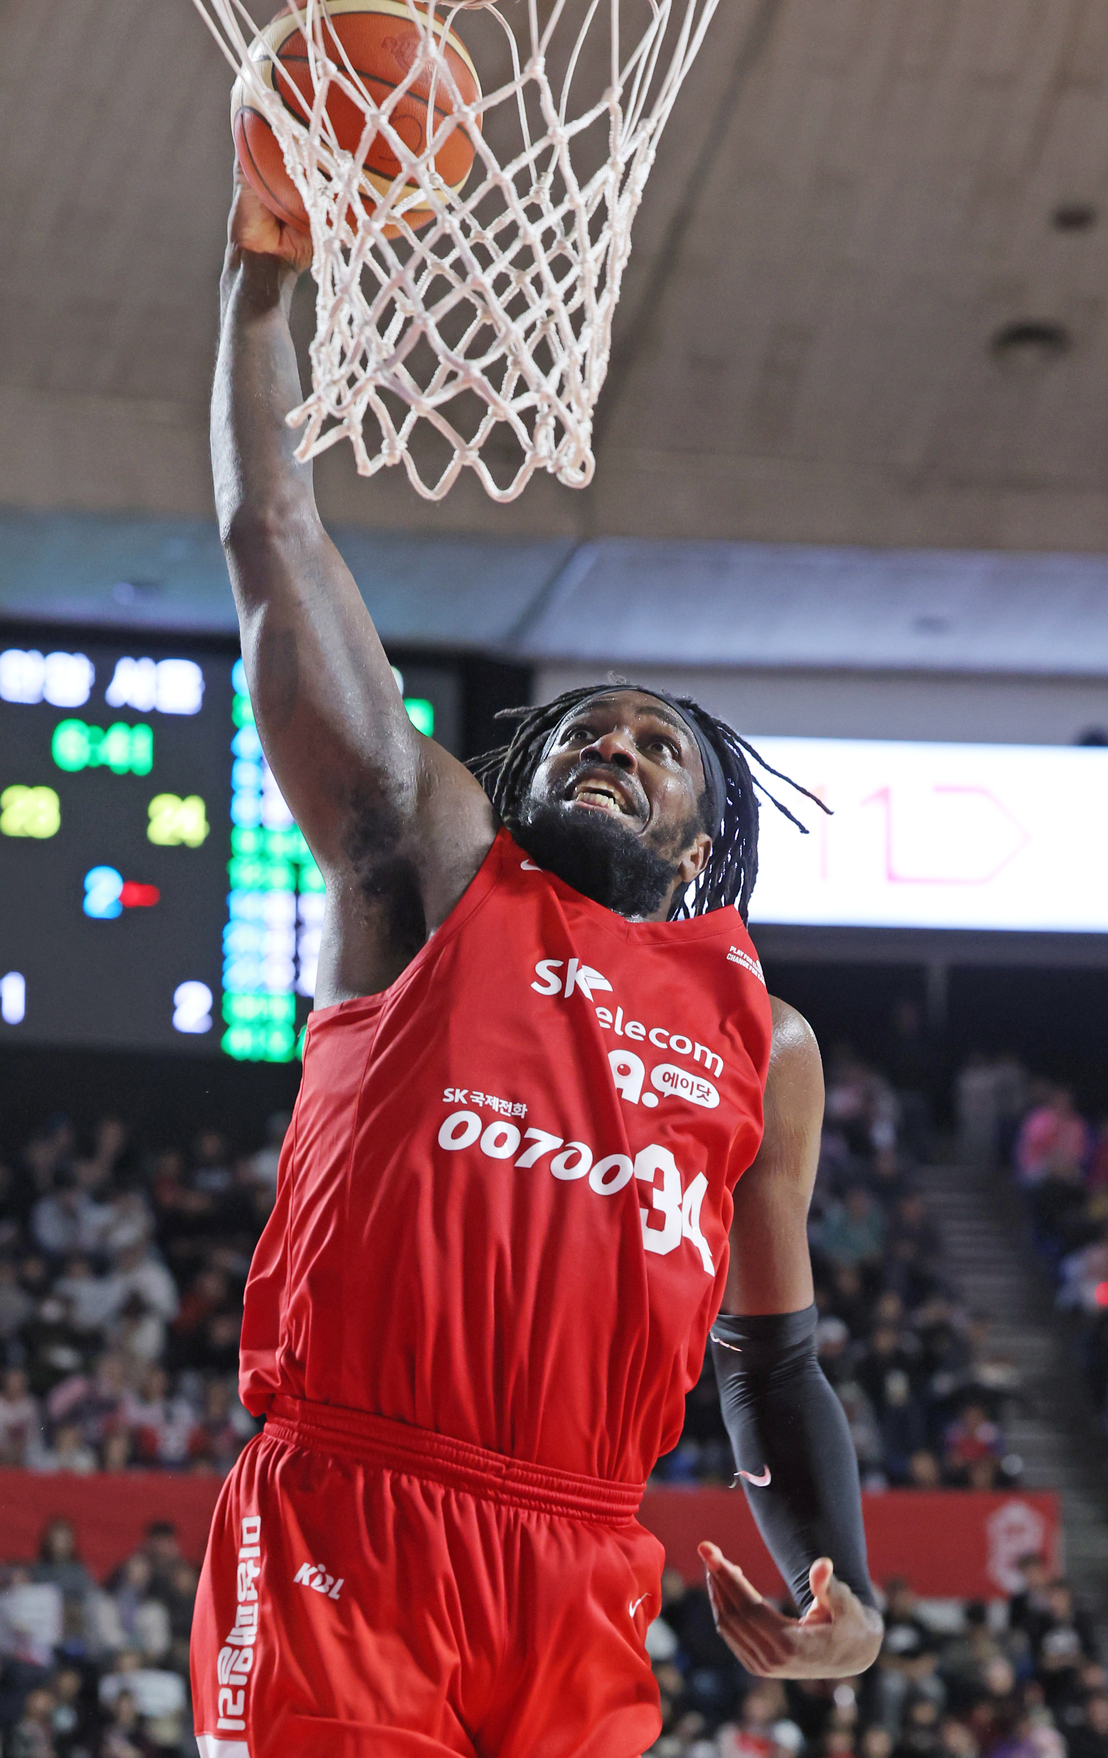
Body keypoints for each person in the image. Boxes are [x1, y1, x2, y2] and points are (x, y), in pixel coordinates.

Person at [189, 169, 884, 1758]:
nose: (616, 748)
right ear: (519, 775)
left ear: (710, 830)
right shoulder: (432, 864)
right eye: (584, 729)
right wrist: (257, 291)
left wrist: (838, 1581)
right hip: (352, 1520)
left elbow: (771, 1369)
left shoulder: (762, 1042)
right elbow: (272, 528)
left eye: (656, 746)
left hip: (579, 1560)